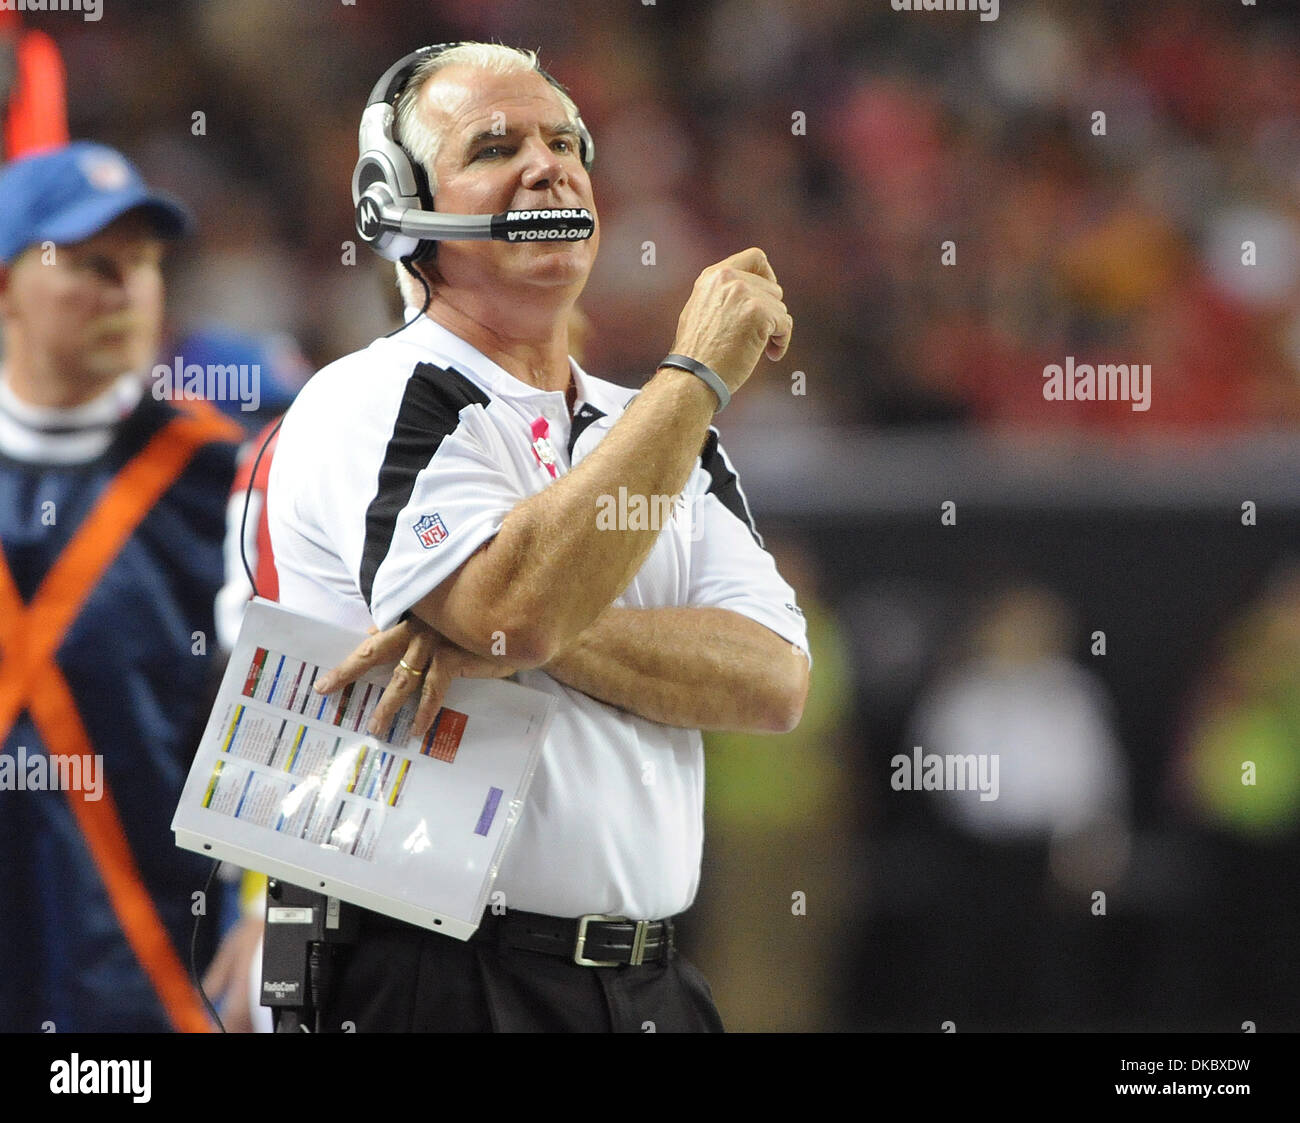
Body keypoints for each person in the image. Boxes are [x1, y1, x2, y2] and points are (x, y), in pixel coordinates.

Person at [267, 41, 808, 1033]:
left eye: (564, 140)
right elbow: (518, 610)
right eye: (495, 144)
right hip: (433, 976)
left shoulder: (650, 425)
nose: (547, 163)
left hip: (648, 982)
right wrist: (692, 374)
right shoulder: (369, 398)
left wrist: (513, 631)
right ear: (396, 202)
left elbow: (771, 679)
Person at [0, 141, 257, 1031]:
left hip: (151, 985)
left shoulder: (220, 473)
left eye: (144, 265)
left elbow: (300, 698)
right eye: (91, 266)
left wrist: (276, 901)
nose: (127, 292)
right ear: (5, 287)